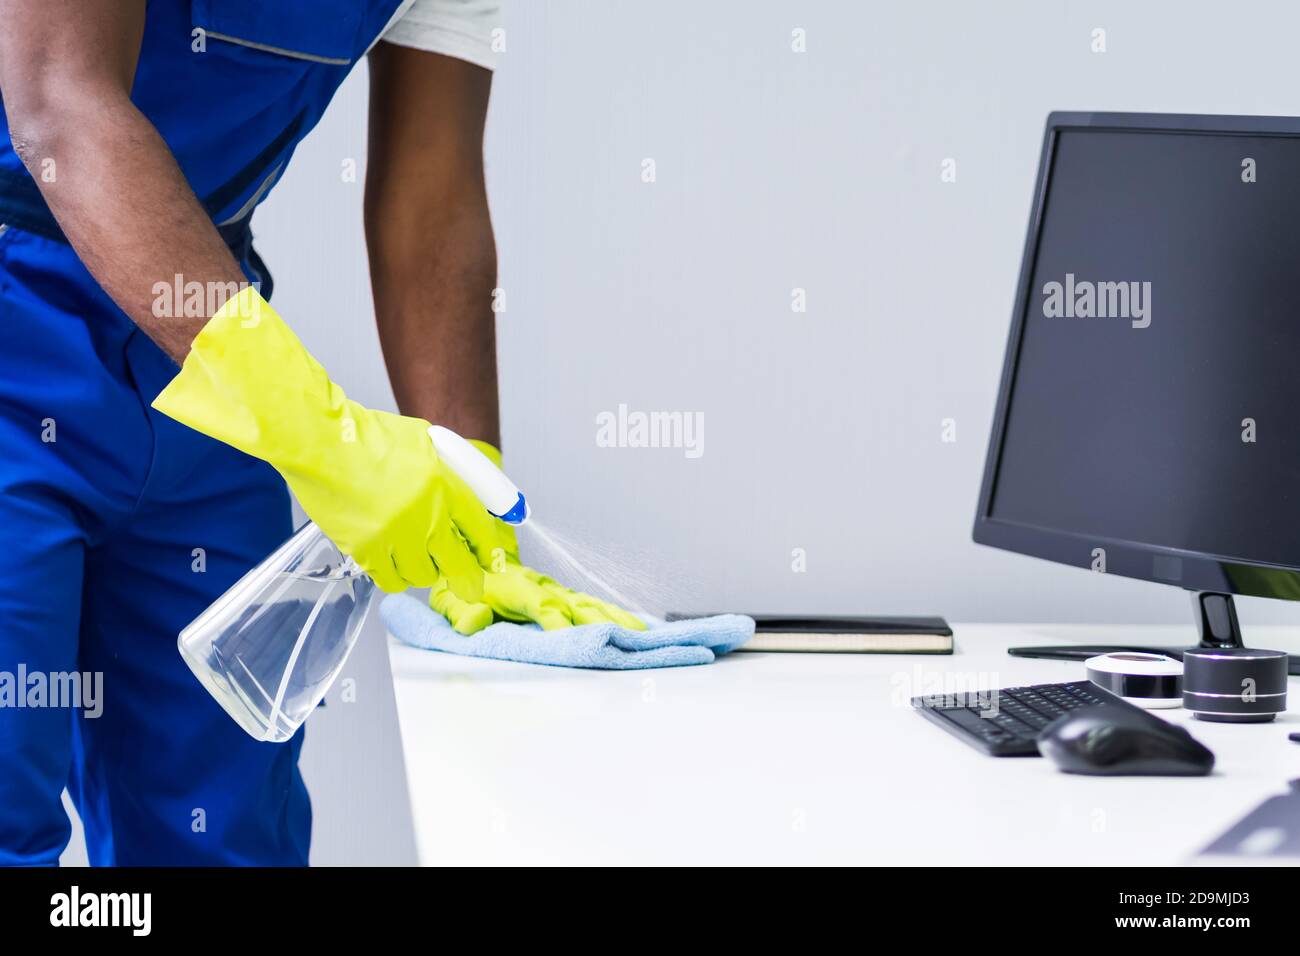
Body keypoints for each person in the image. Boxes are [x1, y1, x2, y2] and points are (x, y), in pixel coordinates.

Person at [0, 0, 639, 866]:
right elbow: (58, 101)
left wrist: (469, 497)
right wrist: (320, 434)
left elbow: (431, 193)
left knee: (223, 826)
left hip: (199, 341)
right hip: (41, 322)